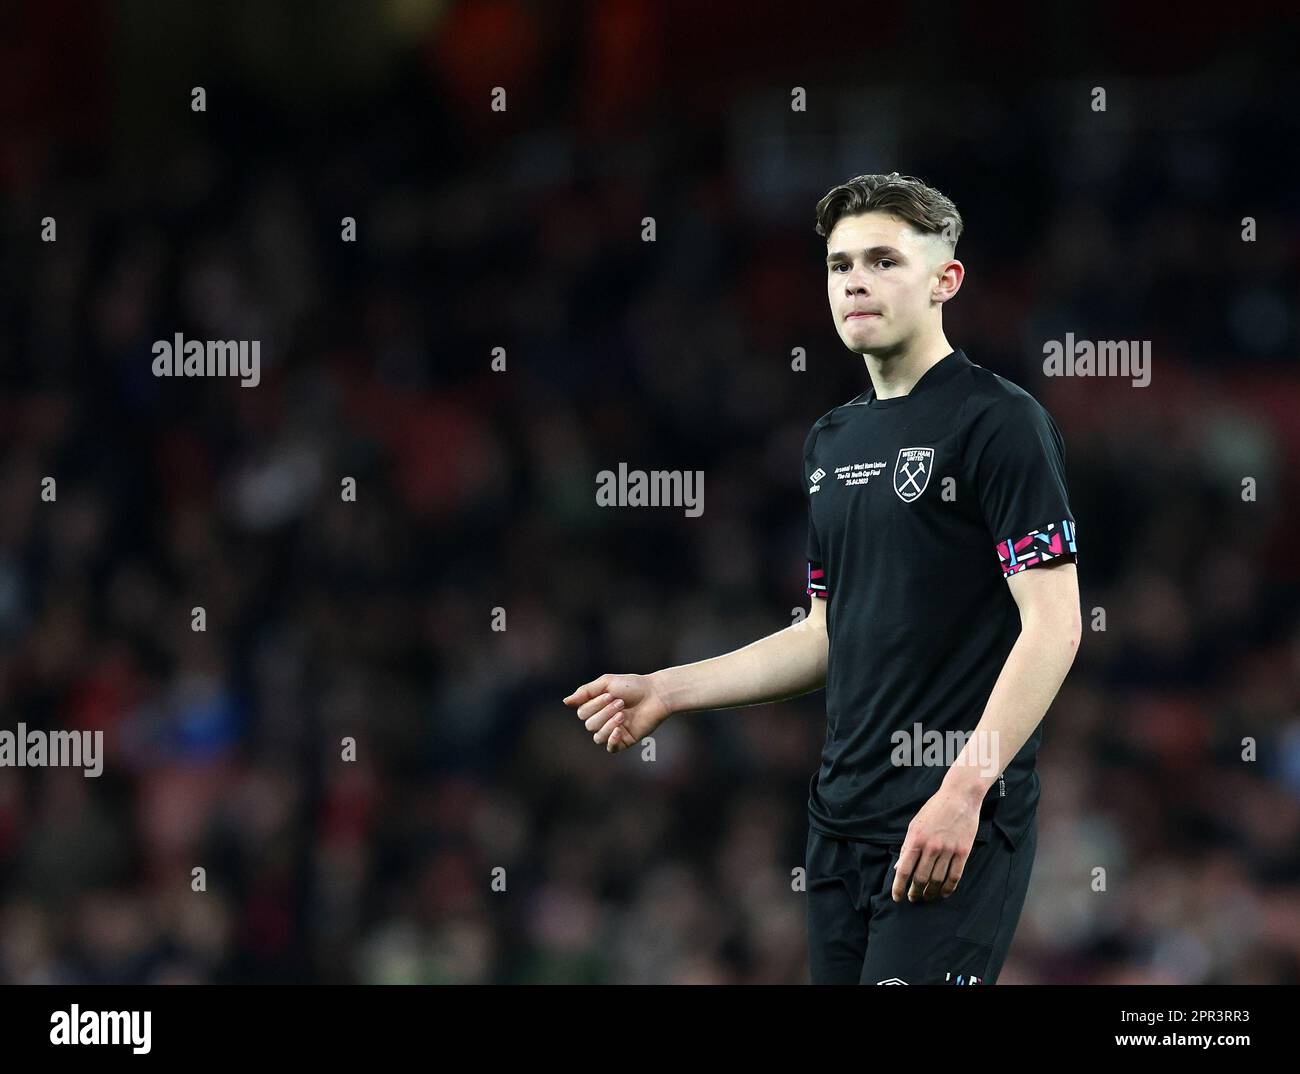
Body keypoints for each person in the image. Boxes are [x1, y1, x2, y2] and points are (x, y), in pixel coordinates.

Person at [564, 173, 1081, 985]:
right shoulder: (830, 443)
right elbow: (822, 636)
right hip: (838, 828)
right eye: (840, 265)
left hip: (949, 818)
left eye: (883, 260)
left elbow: (1054, 625)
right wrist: (669, 689)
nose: (855, 282)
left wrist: (966, 787)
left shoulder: (1000, 422)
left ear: (945, 280)